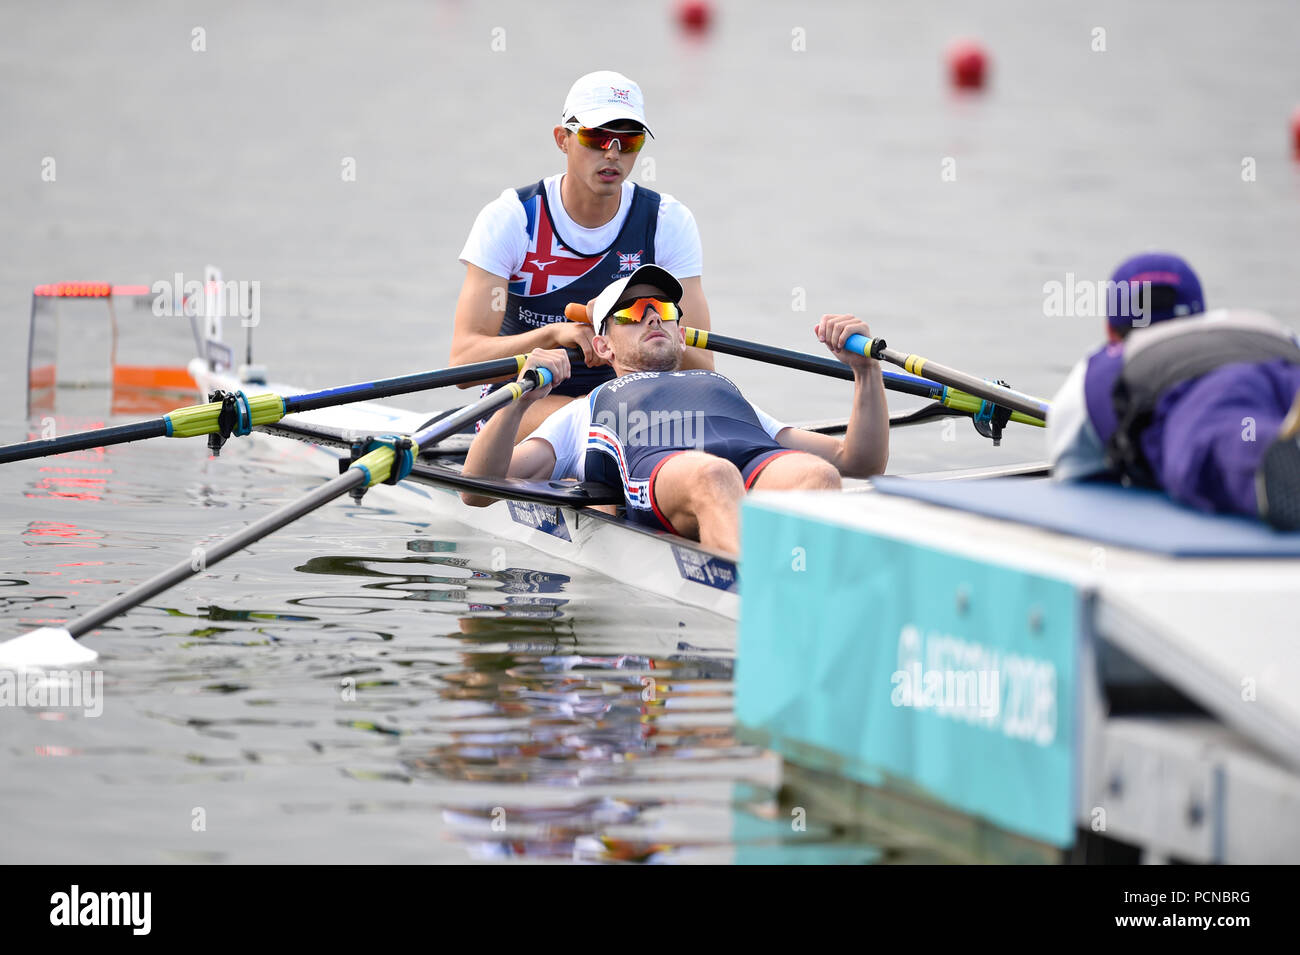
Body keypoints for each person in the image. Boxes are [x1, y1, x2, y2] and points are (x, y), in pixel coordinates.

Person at [460, 265, 890, 554]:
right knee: (713, 474)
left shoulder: (719, 387)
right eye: (630, 312)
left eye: (662, 310)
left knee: (819, 476)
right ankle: (757, 607)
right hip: (675, 474)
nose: (651, 318)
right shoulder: (584, 410)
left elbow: (859, 461)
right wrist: (519, 400)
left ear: (681, 335)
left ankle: (803, 588)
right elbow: (476, 489)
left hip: (749, 464)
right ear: (603, 345)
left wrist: (866, 372)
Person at [451, 70, 713, 438]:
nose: (612, 153)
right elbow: (464, 359)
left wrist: (630, 330)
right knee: (607, 420)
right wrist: (553, 336)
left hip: (632, 405)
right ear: (563, 139)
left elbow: (702, 368)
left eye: (630, 140)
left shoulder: (667, 222)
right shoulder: (513, 219)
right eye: (596, 136)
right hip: (524, 399)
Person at [1049, 252, 1300, 530]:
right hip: (1277, 358)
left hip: (1200, 397)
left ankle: (1260, 460)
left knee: (1221, 437)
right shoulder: (1255, 323)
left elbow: (1073, 467)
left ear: (1110, 331)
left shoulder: (1111, 361)